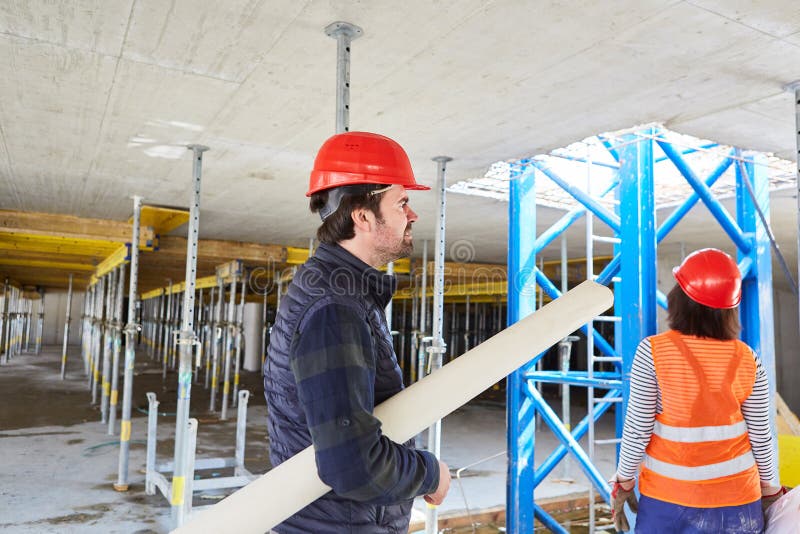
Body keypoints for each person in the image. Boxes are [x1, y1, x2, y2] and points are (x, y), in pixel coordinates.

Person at [264, 131, 450, 533]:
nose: (412, 214)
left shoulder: (338, 290)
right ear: (362, 216)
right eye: (401, 202)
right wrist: (430, 473)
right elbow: (353, 465)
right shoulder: (335, 308)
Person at [611, 248, 785, 533]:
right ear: (731, 308)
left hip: (669, 504)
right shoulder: (747, 358)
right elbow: (761, 436)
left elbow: (637, 430)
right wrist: (771, 491)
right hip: (739, 502)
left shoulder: (653, 352)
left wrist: (624, 482)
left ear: (678, 299)